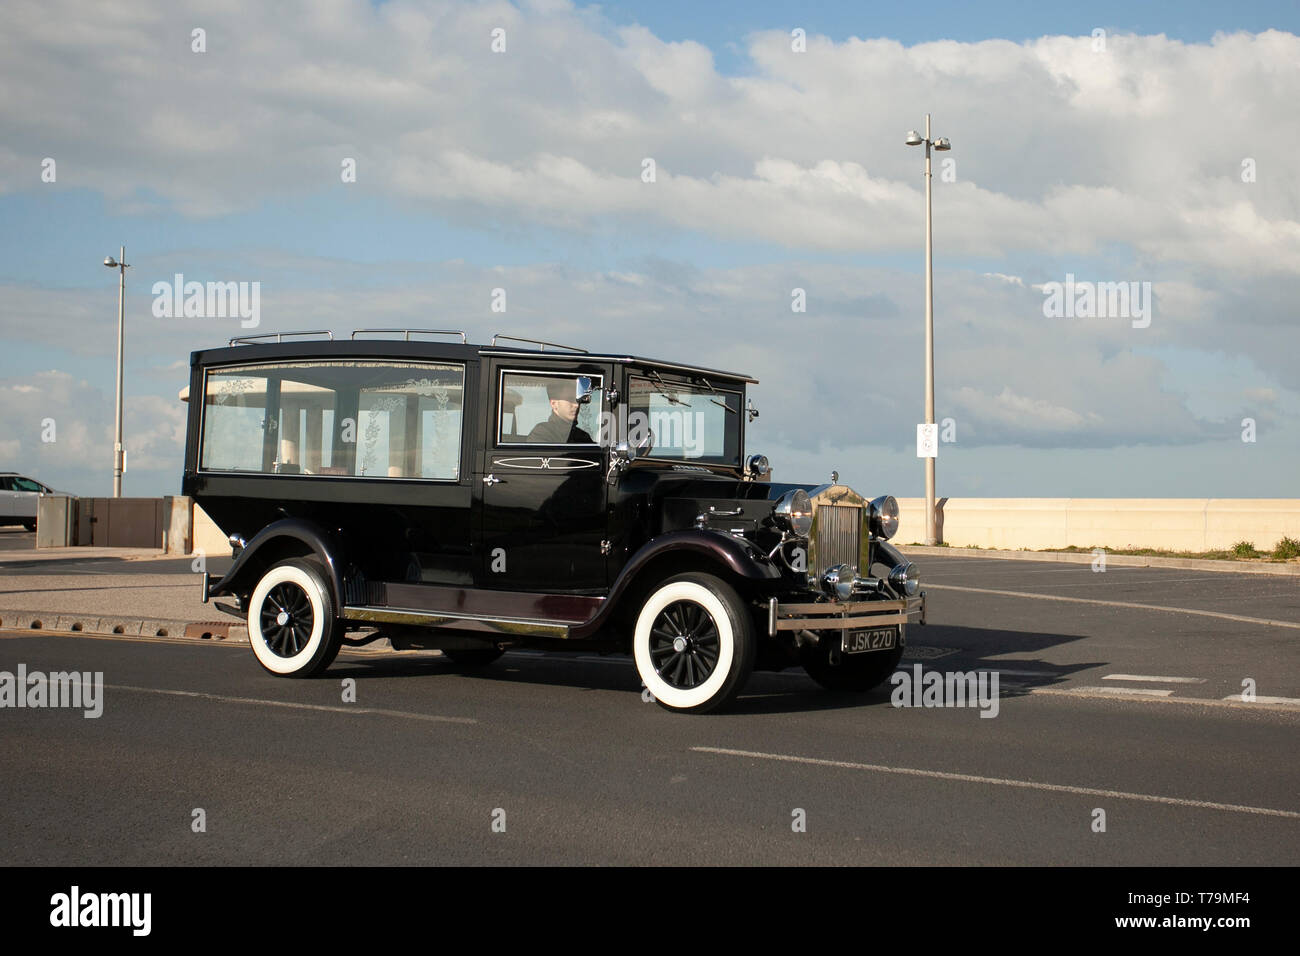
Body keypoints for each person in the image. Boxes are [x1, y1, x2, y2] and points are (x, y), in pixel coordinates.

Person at [527, 379, 594, 444]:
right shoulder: (541, 433)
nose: (577, 405)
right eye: (570, 399)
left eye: (578, 400)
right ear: (554, 404)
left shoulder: (583, 436)